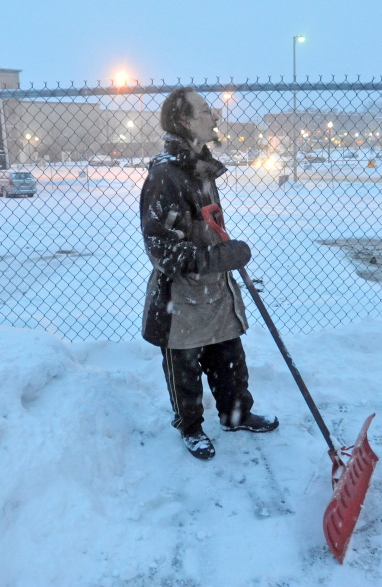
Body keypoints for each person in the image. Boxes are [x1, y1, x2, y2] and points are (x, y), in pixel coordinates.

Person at [139, 87, 278, 460]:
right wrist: (218, 257)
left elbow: (206, 226)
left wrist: (221, 257)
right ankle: (191, 427)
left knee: (228, 354)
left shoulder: (199, 169)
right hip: (181, 296)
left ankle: (236, 415)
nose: (214, 116)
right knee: (184, 365)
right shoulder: (165, 177)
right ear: (185, 122)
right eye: (204, 111)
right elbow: (161, 248)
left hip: (214, 288)